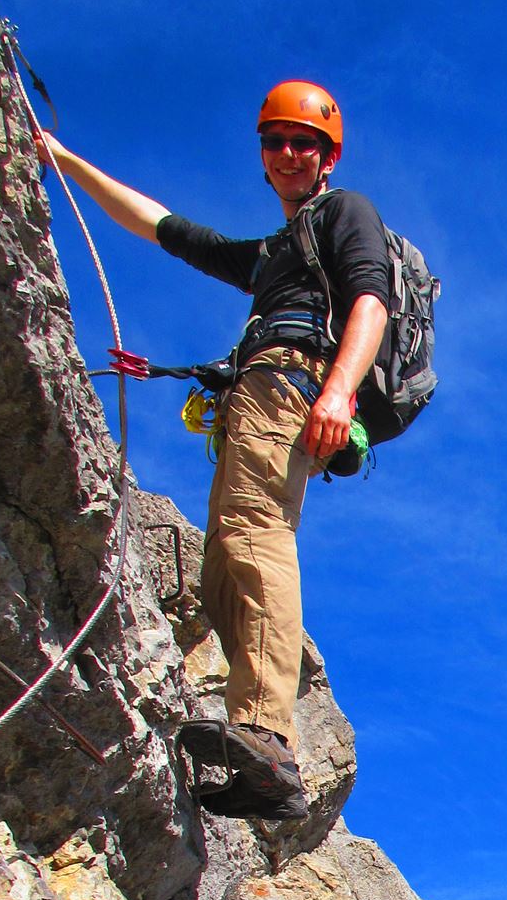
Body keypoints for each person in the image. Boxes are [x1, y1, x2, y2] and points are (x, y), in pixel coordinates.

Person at [41, 81, 390, 821]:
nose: (289, 154)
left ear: (328, 159)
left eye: (305, 143)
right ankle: (258, 750)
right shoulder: (275, 254)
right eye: (277, 142)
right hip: (263, 396)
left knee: (254, 531)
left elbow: (371, 300)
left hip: (289, 387)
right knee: (222, 566)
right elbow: (167, 228)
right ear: (263, 156)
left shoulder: (343, 212)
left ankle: (266, 734)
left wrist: (337, 391)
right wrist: (67, 163)